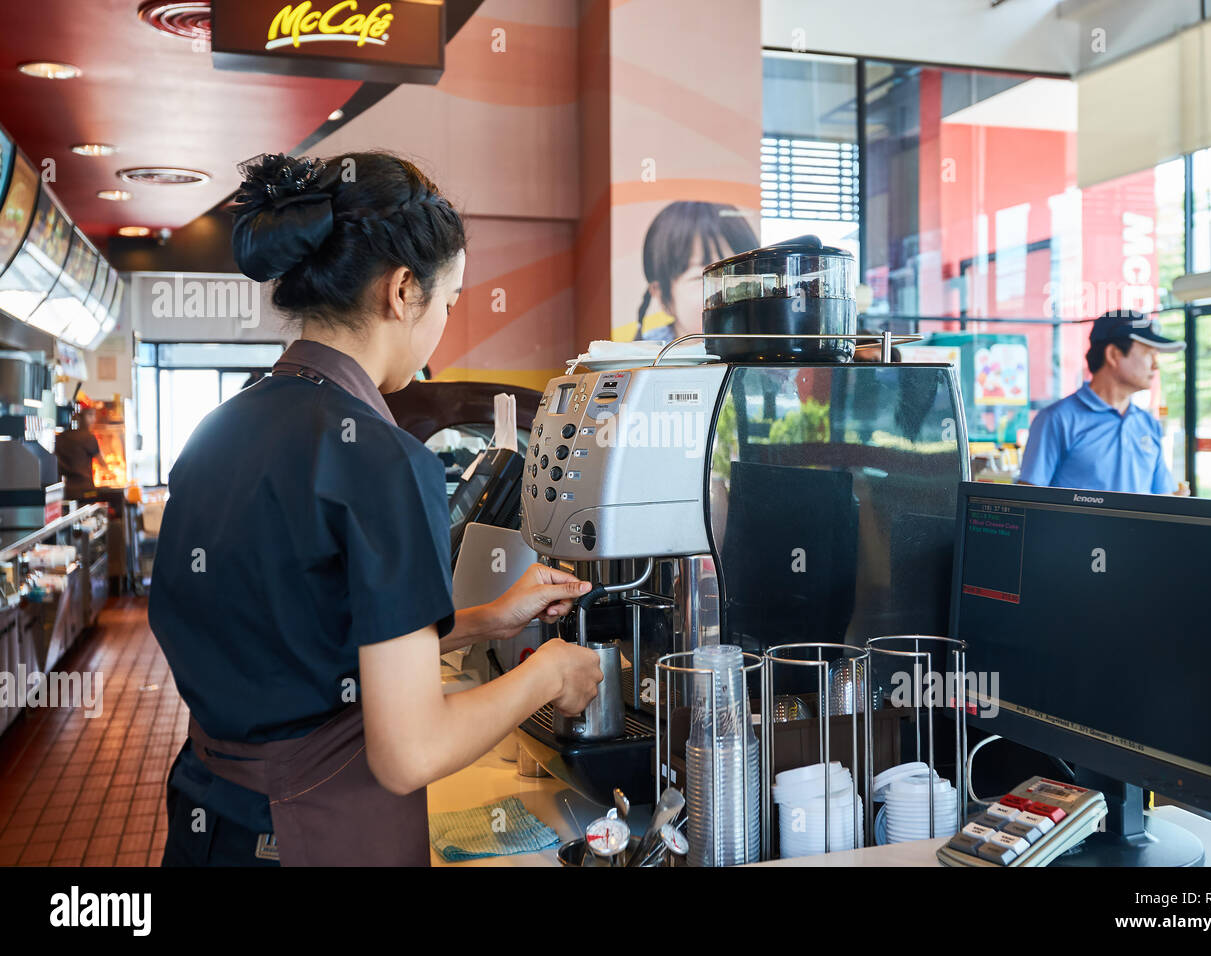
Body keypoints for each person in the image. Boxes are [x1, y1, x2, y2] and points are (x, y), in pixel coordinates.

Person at [149, 151, 604, 866]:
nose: (443, 328)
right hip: (312, 835)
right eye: (449, 301)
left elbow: (300, 645)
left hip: (208, 822)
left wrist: (485, 620)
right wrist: (550, 674)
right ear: (401, 291)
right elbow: (409, 751)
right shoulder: (385, 461)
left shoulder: (217, 431)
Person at [1019, 310, 1187, 495]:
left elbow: (1162, 497)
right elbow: (1028, 500)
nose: (1155, 366)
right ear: (1113, 355)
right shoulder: (1057, 420)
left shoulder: (1148, 424)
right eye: (1149, 355)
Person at [612, 200, 758, 343]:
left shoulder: (773, 354)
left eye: (739, 272)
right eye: (703, 277)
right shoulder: (646, 361)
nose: (728, 290)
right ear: (662, 296)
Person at [54, 405, 107, 499]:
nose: (93, 419)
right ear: (80, 417)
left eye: (94, 415)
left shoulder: (59, 438)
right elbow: (102, 463)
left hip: (67, 491)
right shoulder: (88, 437)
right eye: (90, 415)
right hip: (86, 491)